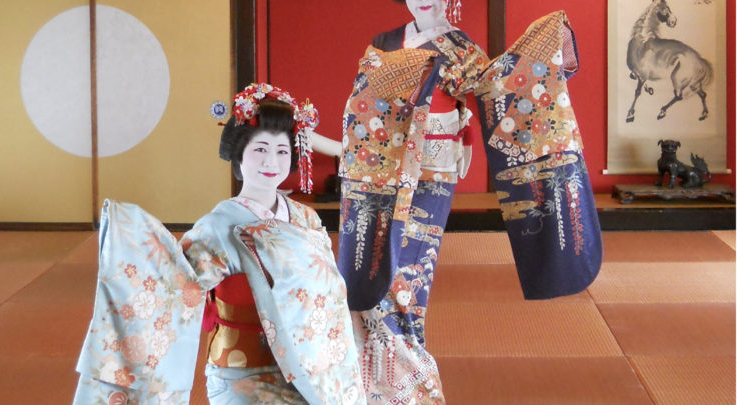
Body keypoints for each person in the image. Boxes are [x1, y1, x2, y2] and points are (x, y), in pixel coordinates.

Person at [311, 1, 602, 403]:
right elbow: (362, 110)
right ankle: (368, 386)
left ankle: (408, 389)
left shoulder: (460, 45)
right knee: (369, 272)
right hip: (378, 174)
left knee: (407, 280)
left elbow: (500, 92)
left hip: (432, 177)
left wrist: (541, 50)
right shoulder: (383, 43)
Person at [72, 83, 365, 405]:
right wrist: (133, 242)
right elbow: (172, 291)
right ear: (239, 155)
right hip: (245, 372)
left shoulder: (306, 218)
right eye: (260, 149)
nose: (272, 161)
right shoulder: (218, 225)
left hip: (313, 368)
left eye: (282, 151)